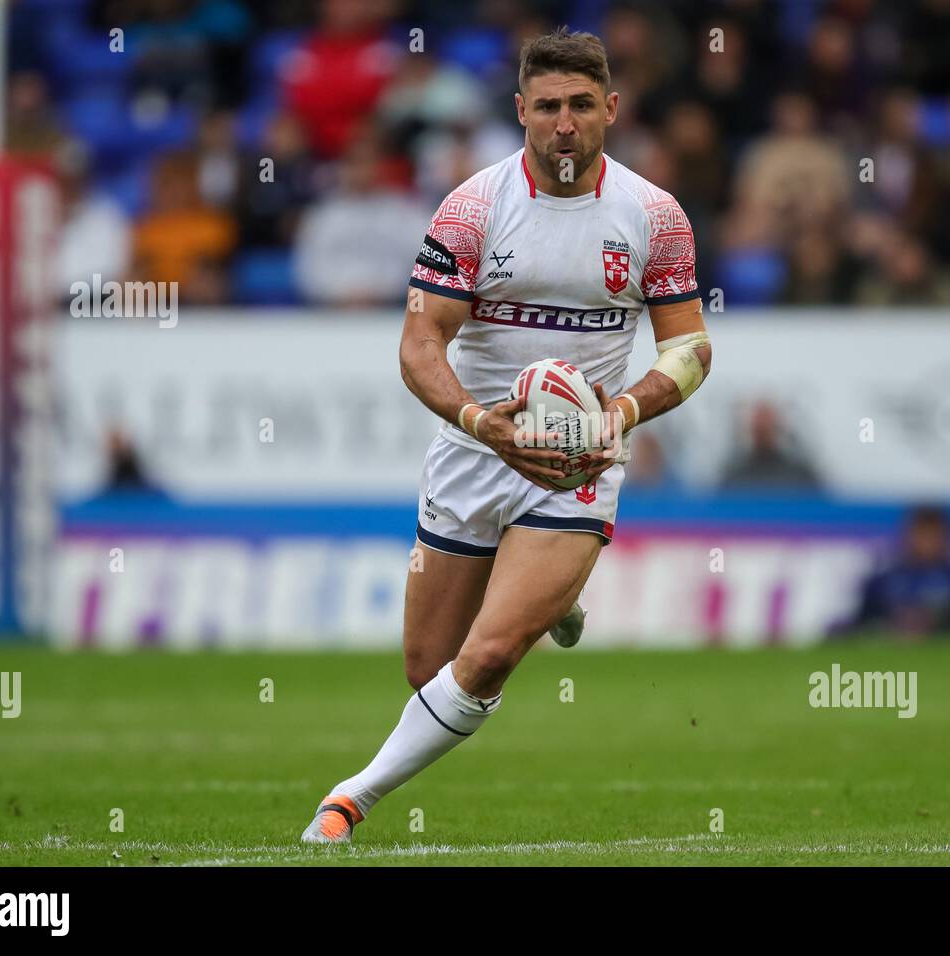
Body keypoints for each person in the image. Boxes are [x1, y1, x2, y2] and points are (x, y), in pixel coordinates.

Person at [301, 27, 711, 843]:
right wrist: (481, 422)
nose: (566, 123)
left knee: (487, 659)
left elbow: (690, 347)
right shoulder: (473, 208)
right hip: (475, 449)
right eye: (549, 107)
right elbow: (420, 343)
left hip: (582, 456)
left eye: (583, 106)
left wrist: (618, 414)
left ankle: (348, 801)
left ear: (612, 111)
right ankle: (558, 599)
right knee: (431, 671)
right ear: (521, 112)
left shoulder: (654, 216)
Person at [845, 506, 950, 638]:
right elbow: (863, 623)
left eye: (934, 536)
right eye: (922, 535)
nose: (928, 543)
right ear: (909, 536)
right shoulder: (885, 580)